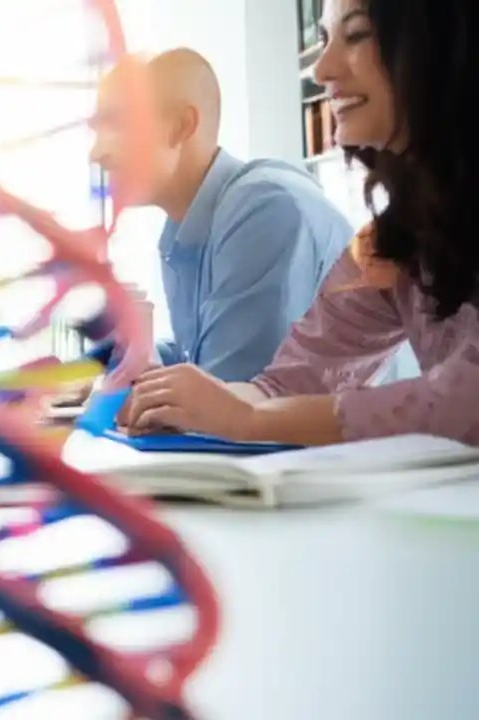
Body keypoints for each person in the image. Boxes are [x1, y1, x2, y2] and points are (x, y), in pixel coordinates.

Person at [119, 0, 479, 447]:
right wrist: (194, 403)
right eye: (325, 39)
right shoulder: (396, 238)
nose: (322, 69)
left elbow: (466, 400)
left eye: (357, 35)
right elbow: (292, 380)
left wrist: (250, 419)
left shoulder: (264, 205)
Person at [90, 48, 352, 382]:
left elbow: (231, 398)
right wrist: (136, 354)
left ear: (182, 126)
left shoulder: (265, 210)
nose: (96, 153)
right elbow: (206, 357)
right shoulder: (183, 229)